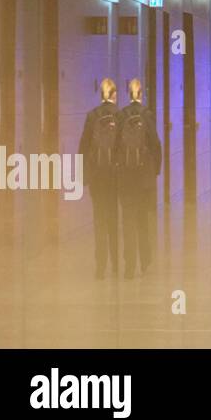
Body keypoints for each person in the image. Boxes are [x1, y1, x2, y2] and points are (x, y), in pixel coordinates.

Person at [116, 79, 162, 278]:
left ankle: (129, 266)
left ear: (128, 94)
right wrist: (155, 171)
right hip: (144, 179)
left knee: (128, 220)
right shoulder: (147, 115)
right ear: (141, 94)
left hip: (126, 177)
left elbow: (116, 146)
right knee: (143, 219)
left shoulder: (121, 115)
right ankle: (145, 260)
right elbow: (156, 145)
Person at [79, 78, 120, 279]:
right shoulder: (120, 116)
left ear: (100, 95)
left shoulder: (92, 116)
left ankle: (100, 266)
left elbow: (83, 148)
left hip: (97, 177)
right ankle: (115, 263)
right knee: (113, 218)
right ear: (114, 95)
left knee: (99, 220)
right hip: (115, 177)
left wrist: (84, 178)